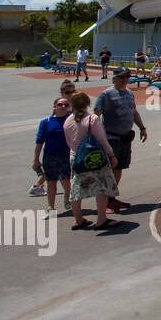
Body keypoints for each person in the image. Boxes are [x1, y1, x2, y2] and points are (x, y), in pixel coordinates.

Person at [93, 66, 147, 213]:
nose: (125, 80)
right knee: (109, 169)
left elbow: (133, 111)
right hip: (111, 137)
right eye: (122, 77)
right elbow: (96, 115)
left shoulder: (129, 93)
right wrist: (95, 135)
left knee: (119, 168)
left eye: (127, 77)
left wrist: (142, 128)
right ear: (114, 78)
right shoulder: (106, 95)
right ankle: (105, 202)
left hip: (125, 137)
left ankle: (111, 198)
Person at [63, 92, 119, 230]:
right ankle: (101, 219)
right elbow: (102, 140)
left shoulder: (68, 121)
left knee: (77, 188)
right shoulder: (92, 119)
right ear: (87, 103)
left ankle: (78, 219)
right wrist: (111, 155)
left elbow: (69, 142)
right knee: (102, 186)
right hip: (93, 157)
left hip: (76, 157)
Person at [31, 95, 73, 215]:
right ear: (55, 107)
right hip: (50, 156)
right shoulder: (46, 122)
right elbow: (39, 141)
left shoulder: (70, 120)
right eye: (60, 104)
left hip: (66, 155)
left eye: (66, 105)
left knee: (65, 180)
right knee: (51, 182)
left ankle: (67, 195)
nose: (63, 107)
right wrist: (36, 159)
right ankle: (51, 207)